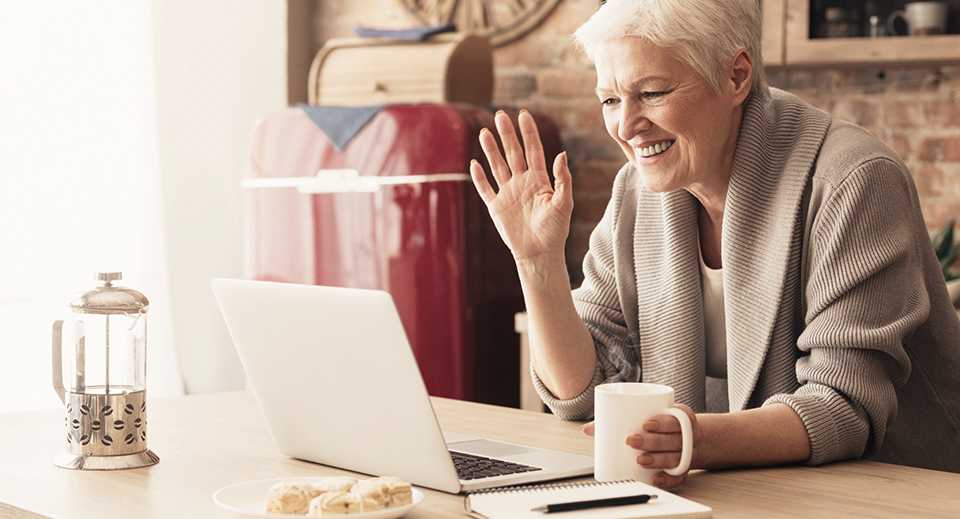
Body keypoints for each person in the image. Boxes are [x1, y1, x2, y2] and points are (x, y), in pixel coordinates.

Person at [468, 0, 960, 488]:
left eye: (653, 92)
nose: (625, 125)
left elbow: (844, 404)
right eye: (610, 100)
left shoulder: (854, 181)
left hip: (900, 491)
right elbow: (583, 392)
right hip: (749, 489)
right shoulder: (635, 193)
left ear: (736, 77)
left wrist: (691, 440)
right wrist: (538, 264)